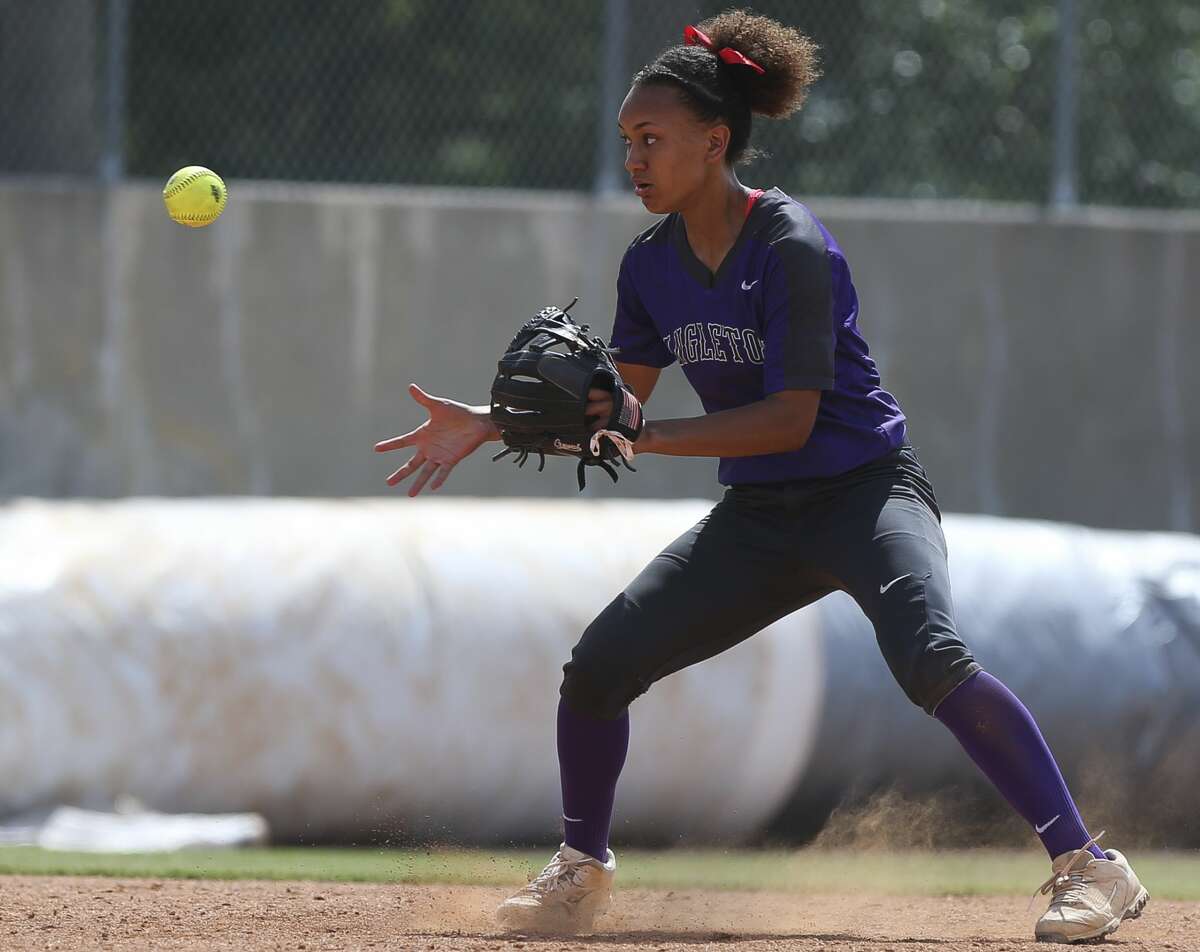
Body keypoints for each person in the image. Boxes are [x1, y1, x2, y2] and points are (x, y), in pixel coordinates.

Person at [374, 10, 1148, 944]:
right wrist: (489, 421)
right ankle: (580, 870)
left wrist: (644, 434)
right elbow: (614, 413)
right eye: (627, 142)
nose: (636, 159)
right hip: (761, 516)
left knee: (929, 658)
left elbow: (791, 419)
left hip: (866, 493)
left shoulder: (790, 243)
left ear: (716, 140)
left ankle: (1088, 865)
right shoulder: (651, 266)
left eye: (652, 139)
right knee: (599, 667)